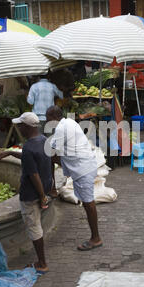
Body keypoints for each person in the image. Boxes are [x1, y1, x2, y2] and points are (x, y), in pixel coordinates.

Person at [0, 112, 52, 274]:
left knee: (34, 228)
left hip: (31, 195)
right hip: (45, 188)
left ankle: (42, 263)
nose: (18, 127)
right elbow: (38, 161)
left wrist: (41, 197)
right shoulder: (43, 140)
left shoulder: (28, 147)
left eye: (20, 125)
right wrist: (11, 153)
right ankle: (41, 260)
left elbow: (33, 175)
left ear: (27, 127)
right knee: (37, 226)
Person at [46, 106, 103, 251]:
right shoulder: (69, 122)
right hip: (85, 165)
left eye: (47, 119)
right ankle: (52, 188)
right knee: (87, 203)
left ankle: (95, 238)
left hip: (83, 169)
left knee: (89, 204)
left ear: (52, 117)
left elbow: (53, 151)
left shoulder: (60, 128)